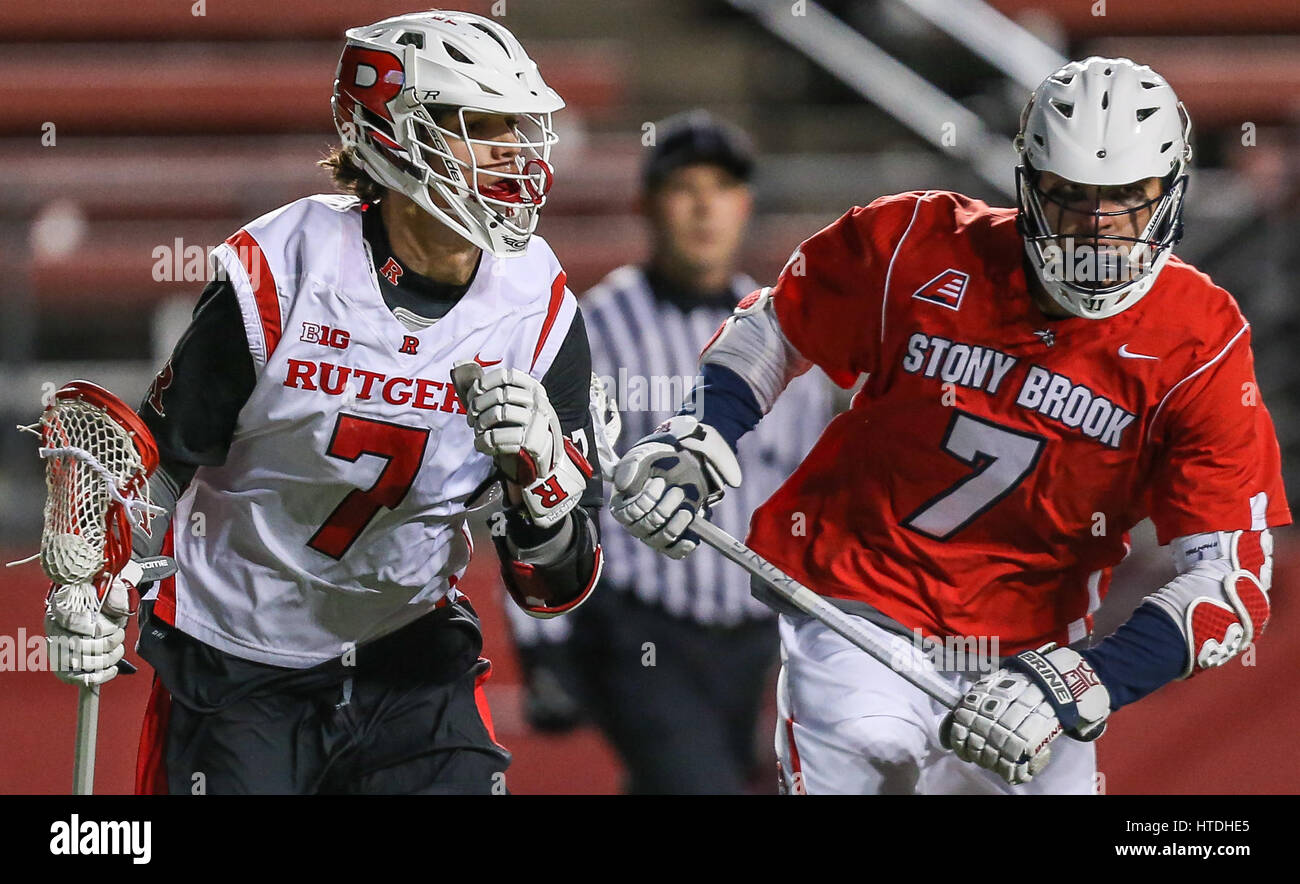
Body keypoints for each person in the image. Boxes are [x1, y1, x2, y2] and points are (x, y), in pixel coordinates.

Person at [608, 57, 1290, 794]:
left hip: (1034, 656)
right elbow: (779, 325)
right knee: (872, 750)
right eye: (1072, 198)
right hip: (862, 616)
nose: (1098, 231)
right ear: (1029, 186)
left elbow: (1229, 583)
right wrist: (702, 432)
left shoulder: (1200, 341)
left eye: (1126, 200)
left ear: (1171, 194)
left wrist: (1083, 680)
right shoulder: (920, 242)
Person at [43, 9, 610, 795]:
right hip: (237, 657)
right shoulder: (285, 269)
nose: (514, 152)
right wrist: (101, 579)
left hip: (407, 657)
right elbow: (163, 461)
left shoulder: (538, 307)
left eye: (519, 127)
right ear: (395, 136)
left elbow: (554, 588)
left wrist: (539, 486)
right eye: (484, 127)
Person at [505, 111, 834, 793]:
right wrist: (539, 641)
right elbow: (536, 484)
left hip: (754, 638)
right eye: (685, 187)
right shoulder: (595, 327)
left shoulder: (786, 330)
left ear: (745, 203)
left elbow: (809, 490)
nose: (705, 206)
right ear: (648, 205)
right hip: (638, 625)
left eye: (722, 187)